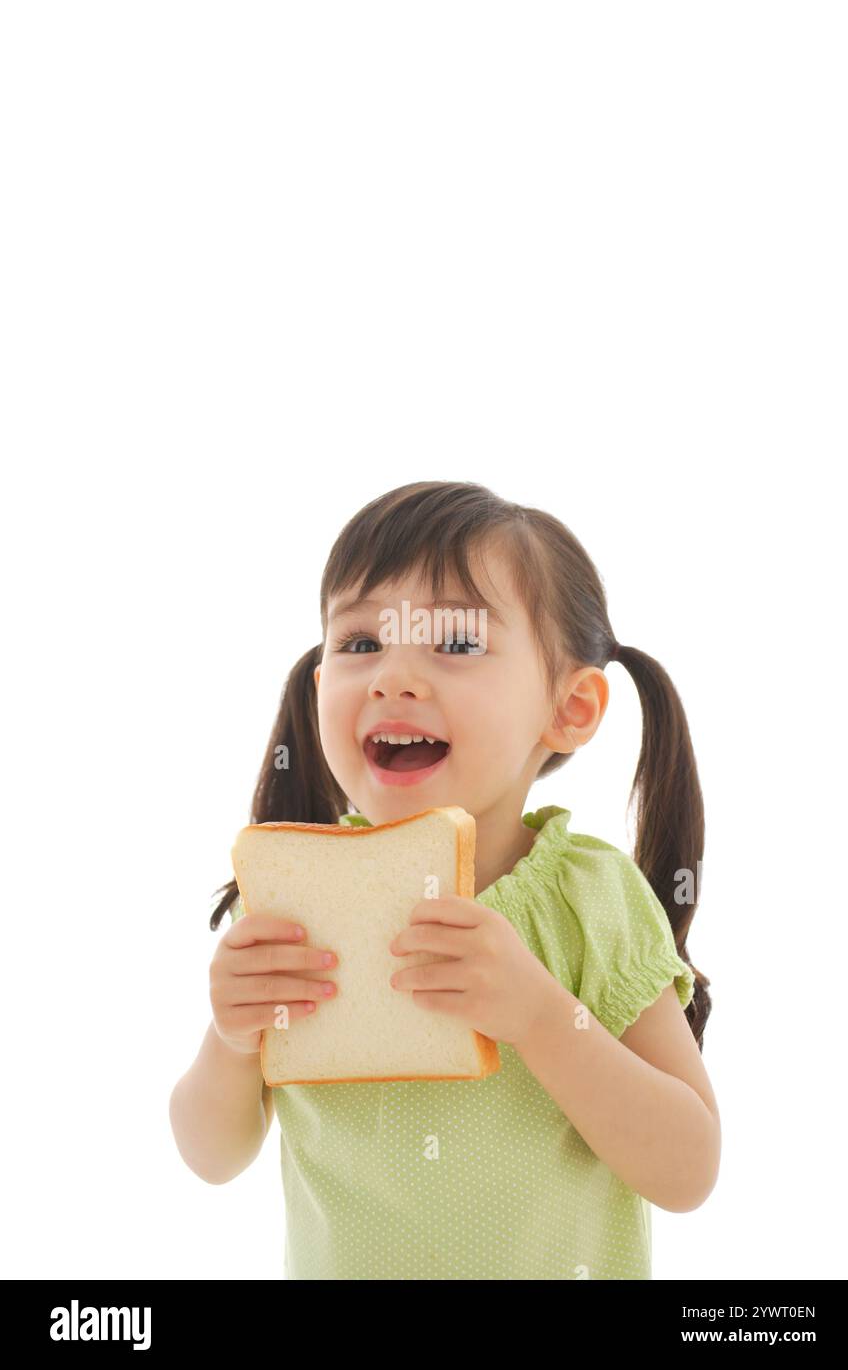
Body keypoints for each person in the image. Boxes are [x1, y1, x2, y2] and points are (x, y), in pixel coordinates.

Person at [169, 479, 720, 1279]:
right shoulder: (299, 901)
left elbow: (689, 1168)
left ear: (570, 707)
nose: (392, 676)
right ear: (321, 691)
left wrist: (539, 1017)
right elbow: (210, 1156)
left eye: (456, 643)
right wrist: (230, 1040)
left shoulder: (590, 899)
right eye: (360, 644)